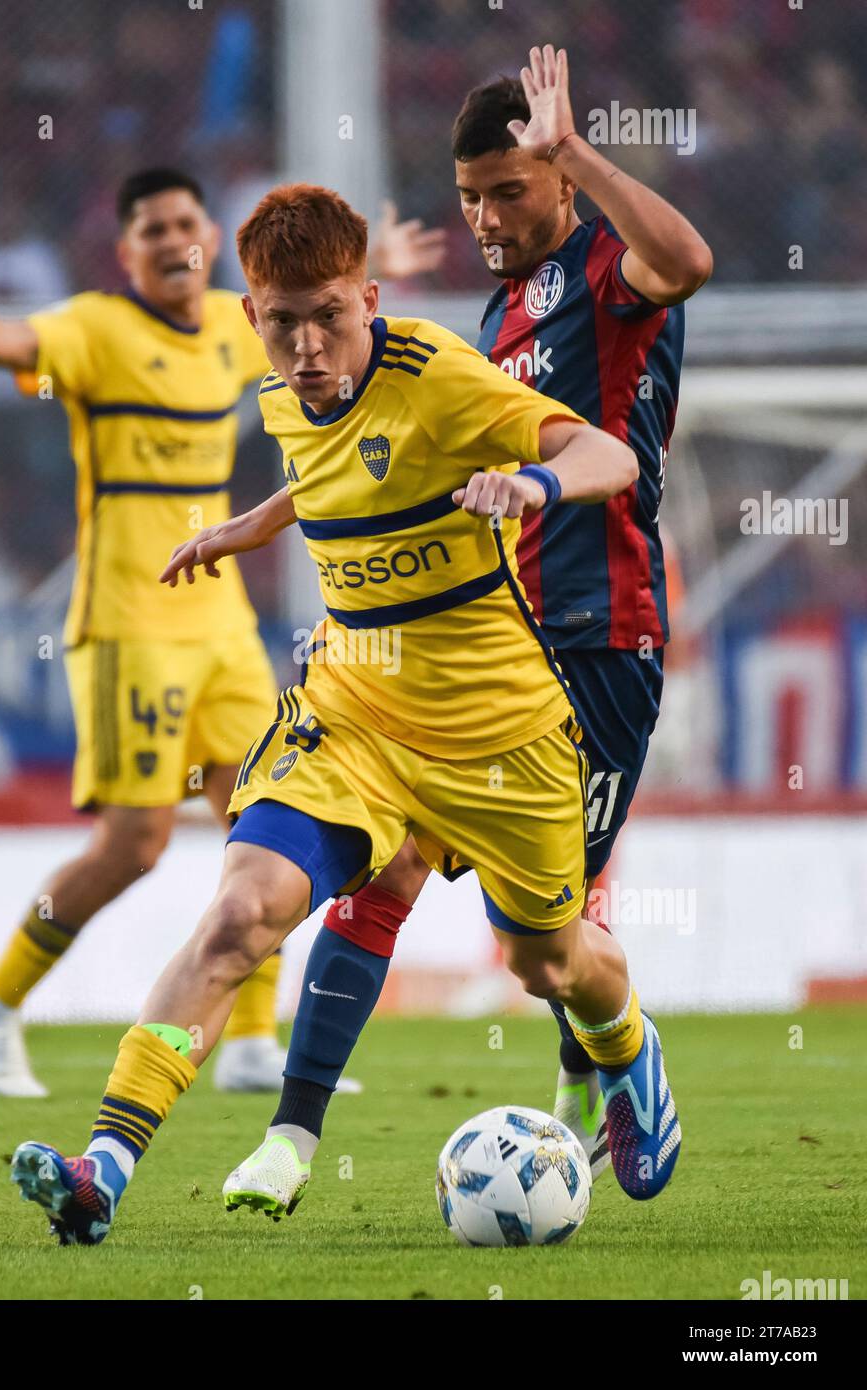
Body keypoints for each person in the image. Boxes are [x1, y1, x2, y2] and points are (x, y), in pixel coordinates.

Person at [5, 181, 678, 1248]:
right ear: (249, 318)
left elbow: (608, 454)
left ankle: (627, 1043)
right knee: (240, 914)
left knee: (546, 960)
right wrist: (244, 527)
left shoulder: (441, 380)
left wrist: (536, 488)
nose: (309, 346)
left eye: (329, 316)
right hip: (350, 715)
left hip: (495, 731)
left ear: (368, 297)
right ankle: (103, 1168)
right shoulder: (280, 391)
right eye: (283, 323)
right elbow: (326, 471)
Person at [178, 45, 712, 1206]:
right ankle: (292, 1138)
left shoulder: (606, 270)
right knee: (385, 868)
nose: (483, 214)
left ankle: (607, 1072)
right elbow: (372, 466)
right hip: (484, 628)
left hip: (598, 629)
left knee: (543, 946)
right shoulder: (500, 308)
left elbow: (690, 262)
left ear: (559, 180)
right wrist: (252, 526)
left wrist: (571, 147)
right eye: (469, 194)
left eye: (508, 190)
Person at [0, 169, 330, 1096]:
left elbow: (301, 320)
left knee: (271, 818)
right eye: (150, 228)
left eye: (184, 222)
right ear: (128, 253)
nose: (170, 239)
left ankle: (246, 1045)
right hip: (129, 625)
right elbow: (4, 339)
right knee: (135, 846)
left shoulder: (236, 330)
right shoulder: (97, 329)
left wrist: (371, 267)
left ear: (209, 234)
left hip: (223, 622)